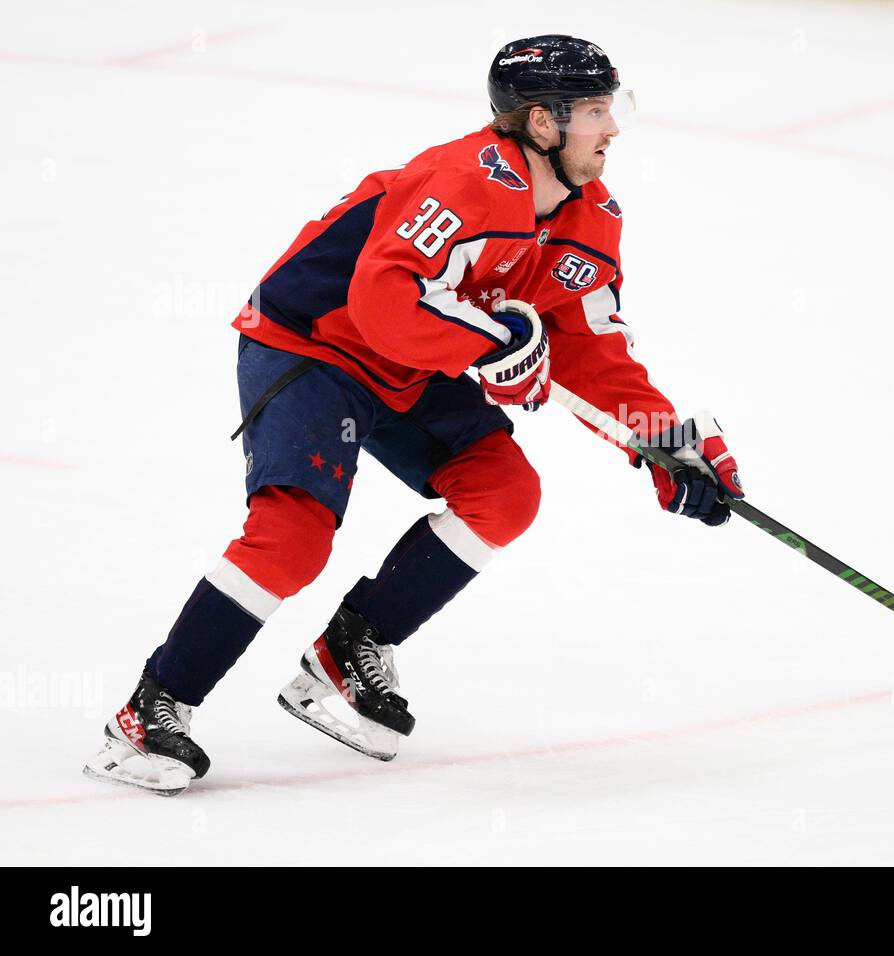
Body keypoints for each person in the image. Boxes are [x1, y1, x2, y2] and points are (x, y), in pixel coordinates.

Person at [84, 34, 744, 795]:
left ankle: (348, 652)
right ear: (540, 124)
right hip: (317, 346)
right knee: (293, 536)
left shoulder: (589, 216)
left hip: (413, 363)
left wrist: (660, 441)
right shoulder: (459, 182)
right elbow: (381, 302)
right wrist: (495, 341)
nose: (613, 129)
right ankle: (151, 709)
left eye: (611, 107)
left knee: (504, 492)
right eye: (595, 111)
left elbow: (591, 350)